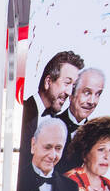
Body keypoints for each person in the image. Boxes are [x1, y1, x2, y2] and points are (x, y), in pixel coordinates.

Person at [17, 50, 83, 182]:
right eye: (67, 83)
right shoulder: (22, 112)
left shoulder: (62, 126)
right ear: (48, 82)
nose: (70, 92)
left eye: (73, 86)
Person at [17, 116, 81, 191]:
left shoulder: (71, 188)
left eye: (58, 148)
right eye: (47, 147)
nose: (52, 155)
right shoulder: (16, 180)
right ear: (33, 144)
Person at [56, 67, 105, 174]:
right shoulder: (49, 125)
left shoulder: (97, 137)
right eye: (87, 92)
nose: (92, 102)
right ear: (71, 94)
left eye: (98, 94)